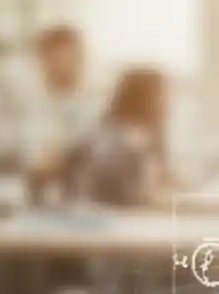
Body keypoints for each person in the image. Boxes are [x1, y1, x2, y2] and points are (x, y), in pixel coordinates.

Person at [69, 67, 172, 207]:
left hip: (131, 219)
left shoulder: (146, 138)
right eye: (162, 96)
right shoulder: (108, 141)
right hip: (103, 220)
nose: (167, 104)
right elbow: (124, 195)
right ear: (143, 97)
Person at [21, 25, 97, 205]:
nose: (62, 65)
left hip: (89, 202)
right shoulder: (27, 108)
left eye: (70, 58)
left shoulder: (99, 106)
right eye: (55, 59)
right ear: (41, 61)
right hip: (35, 201)